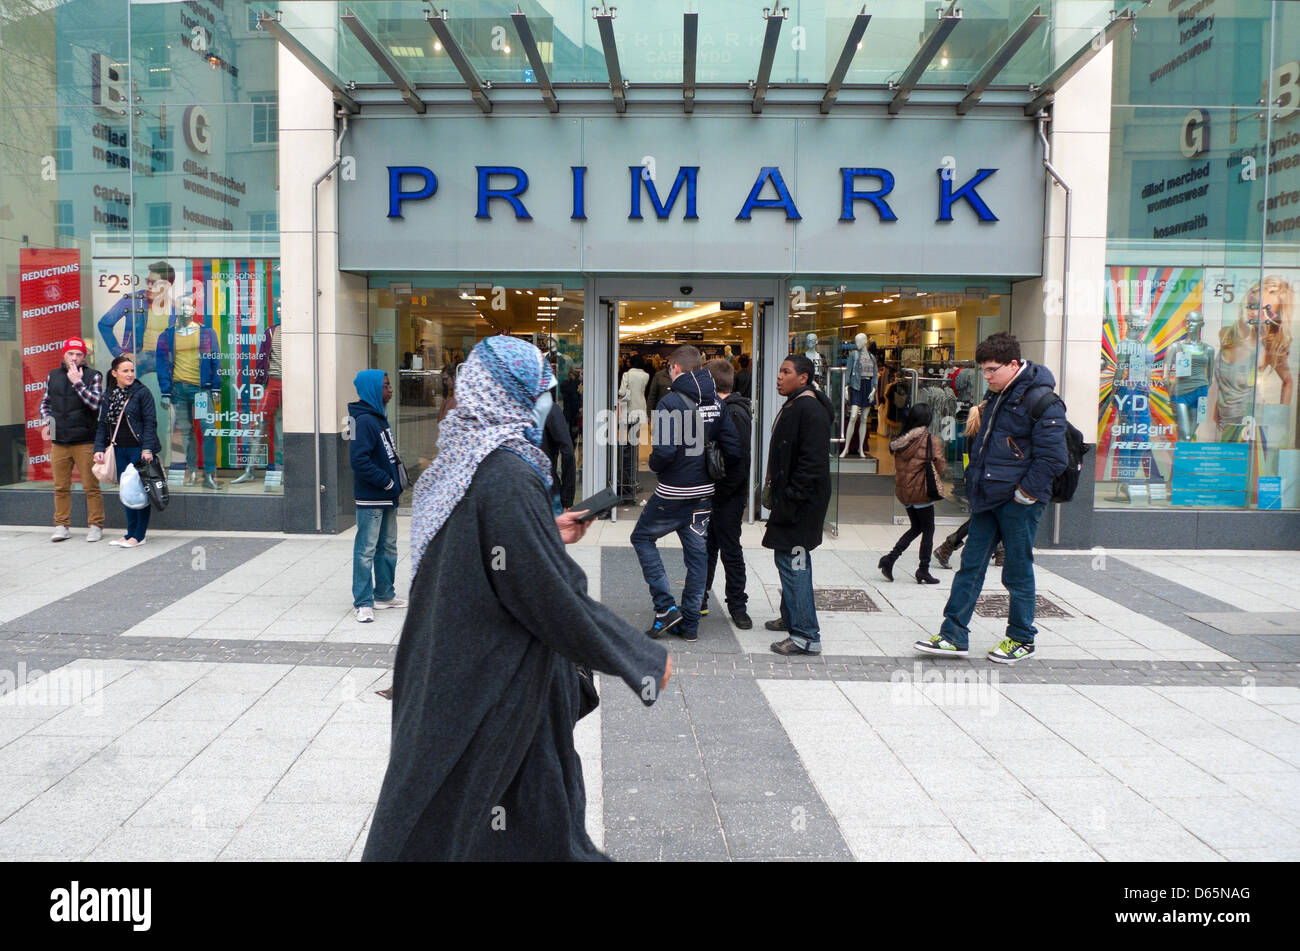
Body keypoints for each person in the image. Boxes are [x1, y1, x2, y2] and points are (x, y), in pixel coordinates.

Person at [362, 335, 670, 861]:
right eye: (541, 390)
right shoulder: (506, 472)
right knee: (520, 823)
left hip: (455, 671)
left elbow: (489, 551)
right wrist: (639, 657)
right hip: (495, 684)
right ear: (511, 393)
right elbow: (549, 595)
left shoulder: (461, 456)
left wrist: (542, 532)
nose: (547, 401)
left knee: (501, 822)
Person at [915, 332, 1068, 664]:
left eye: (991, 369)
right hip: (987, 498)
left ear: (1013, 365)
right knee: (969, 566)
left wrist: (1024, 494)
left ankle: (1021, 638)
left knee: (1016, 571)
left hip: (1019, 503)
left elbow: (1054, 458)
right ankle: (953, 635)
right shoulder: (998, 394)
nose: (986, 376)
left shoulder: (1042, 399)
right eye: (983, 369)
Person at [632, 345, 742, 643]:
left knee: (641, 537)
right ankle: (690, 623)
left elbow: (664, 452)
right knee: (697, 557)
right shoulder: (717, 403)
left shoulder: (669, 403)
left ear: (675, 369)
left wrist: (653, 463)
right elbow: (733, 449)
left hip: (671, 493)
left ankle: (666, 608)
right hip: (704, 493)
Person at [762, 355, 834, 655]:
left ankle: (806, 635)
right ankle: (791, 616)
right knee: (788, 558)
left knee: (795, 562)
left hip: (801, 503)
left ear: (803, 378)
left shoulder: (810, 409)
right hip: (793, 499)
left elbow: (811, 464)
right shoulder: (796, 403)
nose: (779, 376)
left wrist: (791, 496)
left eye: (786, 372)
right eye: (780, 370)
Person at [349, 370, 407, 623]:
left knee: (388, 547)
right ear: (373, 390)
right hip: (372, 497)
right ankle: (363, 602)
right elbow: (358, 461)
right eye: (386, 386)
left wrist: (393, 486)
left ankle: (384, 594)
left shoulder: (378, 418)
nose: (390, 390)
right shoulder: (364, 421)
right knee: (366, 550)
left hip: (387, 497)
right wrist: (387, 481)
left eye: (390, 385)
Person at [702, 357, 753, 628]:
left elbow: (738, 460)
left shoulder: (733, 412)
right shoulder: (718, 409)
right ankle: (701, 598)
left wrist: (719, 493)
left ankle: (737, 605)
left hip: (727, 495)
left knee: (729, 549)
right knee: (707, 547)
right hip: (719, 493)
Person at [40, 337, 105, 543]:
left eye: (79, 354)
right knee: (60, 486)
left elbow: (95, 403)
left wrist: (78, 383)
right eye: (71, 354)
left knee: (90, 486)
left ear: (84, 357)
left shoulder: (93, 376)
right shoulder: (53, 375)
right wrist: (49, 424)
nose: (74, 358)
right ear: (64, 354)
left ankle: (95, 525)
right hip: (60, 441)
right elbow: (45, 402)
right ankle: (61, 525)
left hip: (85, 440)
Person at [93, 355, 160, 549]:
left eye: (132, 371)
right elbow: (103, 425)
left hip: (138, 451)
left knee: (140, 493)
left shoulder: (142, 393)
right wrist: (99, 448)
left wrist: (147, 448)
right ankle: (130, 533)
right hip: (118, 450)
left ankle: (139, 535)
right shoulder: (109, 395)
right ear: (114, 373)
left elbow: (150, 422)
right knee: (127, 491)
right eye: (125, 371)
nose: (130, 374)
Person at [156, 294, 221, 489]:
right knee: (186, 432)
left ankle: (209, 473)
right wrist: (165, 391)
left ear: (194, 309)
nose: (186, 309)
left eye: (190, 305)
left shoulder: (206, 333)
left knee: (207, 428)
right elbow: (162, 364)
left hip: (200, 391)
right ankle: (192, 471)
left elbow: (215, 360)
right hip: (178, 390)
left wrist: (215, 386)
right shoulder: (167, 335)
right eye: (182, 305)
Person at [879, 403, 945, 584]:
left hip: (904, 492)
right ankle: (923, 569)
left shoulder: (899, 440)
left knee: (917, 527)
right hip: (922, 492)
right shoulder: (930, 440)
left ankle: (890, 559)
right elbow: (940, 466)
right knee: (928, 530)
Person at [541, 390, 576, 514]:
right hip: (548, 489)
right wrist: (567, 496)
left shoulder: (513, 410)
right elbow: (568, 452)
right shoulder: (550, 409)